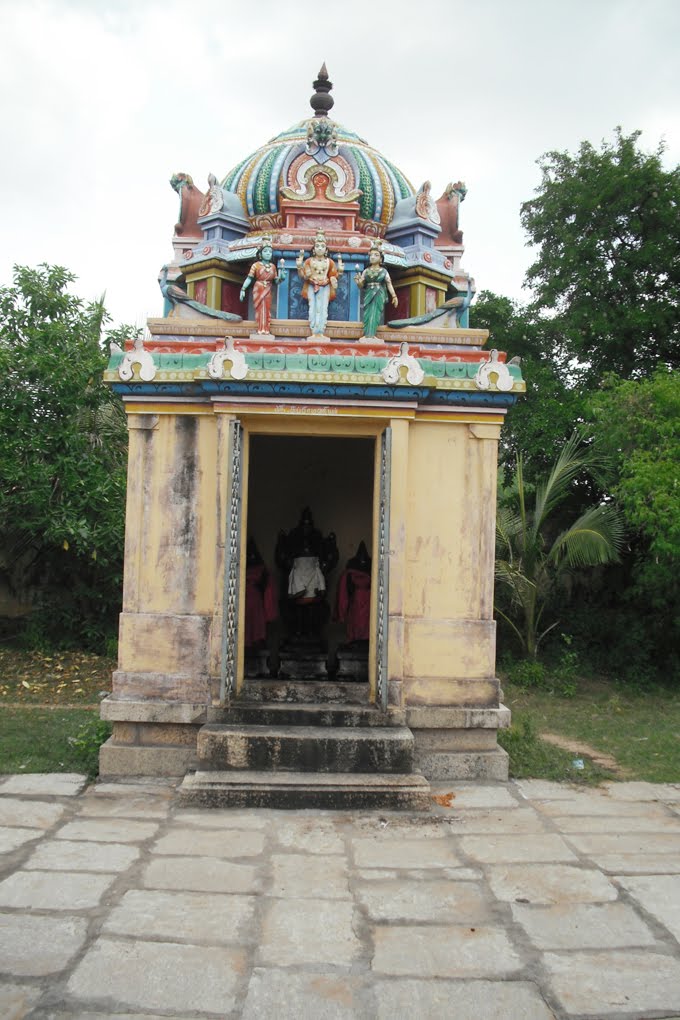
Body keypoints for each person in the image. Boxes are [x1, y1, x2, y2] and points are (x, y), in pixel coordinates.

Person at [296, 231, 343, 338]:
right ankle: (314, 330)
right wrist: (299, 267)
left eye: (322, 246)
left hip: (325, 286)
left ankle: (321, 331)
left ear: (326, 250)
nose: (320, 248)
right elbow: (303, 276)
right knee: (313, 307)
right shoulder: (309, 261)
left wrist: (338, 274)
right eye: (317, 246)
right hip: (312, 286)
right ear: (314, 249)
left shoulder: (329, 262)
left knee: (323, 308)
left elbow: (334, 275)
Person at [240, 239, 285, 335]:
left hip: (268, 288)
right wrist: (243, 289)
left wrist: (282, 277)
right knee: (260, 308)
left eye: (270, 252)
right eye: (265, 251)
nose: (268, 253)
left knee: (267, 308)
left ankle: (266, 328)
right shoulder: (256, 265)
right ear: (260, 254)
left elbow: (276, 280)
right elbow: (249, 278)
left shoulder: (273, 266)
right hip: (259, 288)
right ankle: (260, 328)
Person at [355, 243, 398, 338]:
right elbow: (361, 285)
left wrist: (394, 296)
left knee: (376, 313)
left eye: (376, 255)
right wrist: (358, 281)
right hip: (369, 293)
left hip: (379, 293)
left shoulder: (383, 271)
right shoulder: (366, 271)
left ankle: (372, 334)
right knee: (367, 314)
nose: (373, 257)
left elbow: (389, 283)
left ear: (381, 259)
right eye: (371, 255)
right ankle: (367, 334)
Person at [335, 541, 372, 642]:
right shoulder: (371, 565)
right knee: (366, 621)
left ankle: (355, 639)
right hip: (367, 599)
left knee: (355, 620)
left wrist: (342, 614)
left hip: (355, 599)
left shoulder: (350, 571)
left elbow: (343, 595)